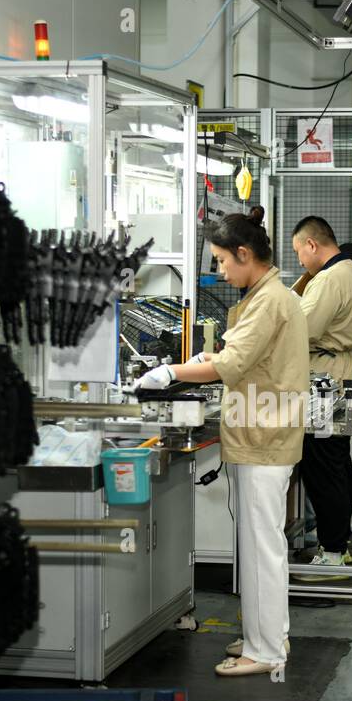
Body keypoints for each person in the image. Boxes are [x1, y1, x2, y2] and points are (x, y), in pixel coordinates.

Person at [135, 207, 308, 676]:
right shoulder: (265, 296)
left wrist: (171, 372)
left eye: (222, 261)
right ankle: (264, 636)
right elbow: (241, 356)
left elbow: (228, 367)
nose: (220, 270)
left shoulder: (270, 299)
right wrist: (209, 356)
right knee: (256, 547)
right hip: (260, 433)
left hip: (264, 437)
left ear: (245, 254)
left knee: (262, 549)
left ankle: (267, 651)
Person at [289, 216, 352, 579]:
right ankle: (338, 544)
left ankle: (333, 553)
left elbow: (301, 329)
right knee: (338, 464)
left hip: (325, 378)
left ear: (312, 244)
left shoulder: (328, 279)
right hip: (344, 372)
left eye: (299, 252)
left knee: (322, 467)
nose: (300, 262)